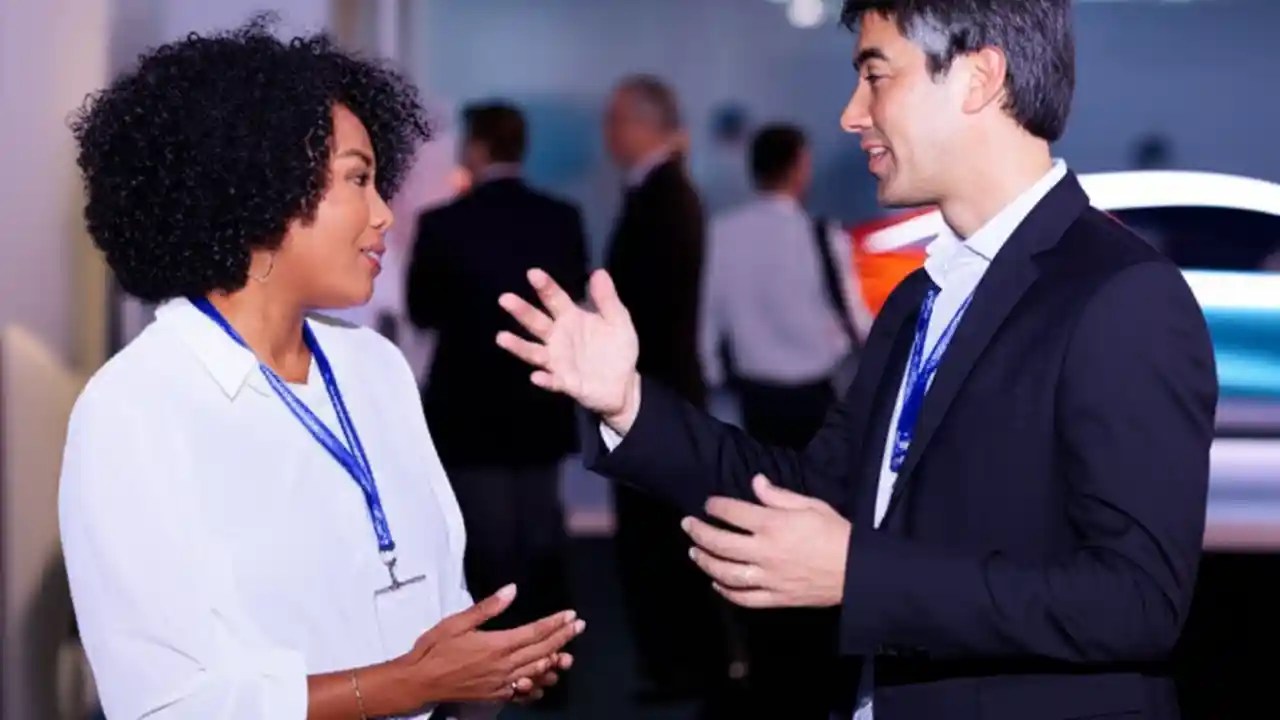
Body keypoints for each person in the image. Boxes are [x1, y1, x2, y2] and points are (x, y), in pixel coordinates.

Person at [495, 1, 1217, 718]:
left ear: (978, 77)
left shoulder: (1121, 294)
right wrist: (625, 402)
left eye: (876, 77)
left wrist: (857, 573)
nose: (851, 113)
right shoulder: (920, 299)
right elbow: (812, 491)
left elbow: (1135, 601)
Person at [59, 19, 582, 720]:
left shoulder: (375, 368)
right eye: (358, 180)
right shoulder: (136, 407)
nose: (385, 214)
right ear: (261, 189)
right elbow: (166, 706)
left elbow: (435, 595)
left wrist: (484, 669)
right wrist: (409, 684)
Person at [406, 102, 587, 697]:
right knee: (540, 535)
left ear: (477, 148)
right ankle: (553, 673)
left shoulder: (442, 224)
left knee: (483, 544)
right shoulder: (561, 219)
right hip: (539, 396)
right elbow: (573, 303)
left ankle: (494, 680)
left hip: (467, 404)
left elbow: (422, 311)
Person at [600, 74, 738, 706]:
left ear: (644, 124)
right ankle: (683, 666)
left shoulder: (663, 195)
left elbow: (647, 307)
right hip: (662, 390)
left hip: (656, 395)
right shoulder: (665, 191)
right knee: (663, 538)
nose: (608, 134)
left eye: (616, 120)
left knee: (664, 541)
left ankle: (688, 669)